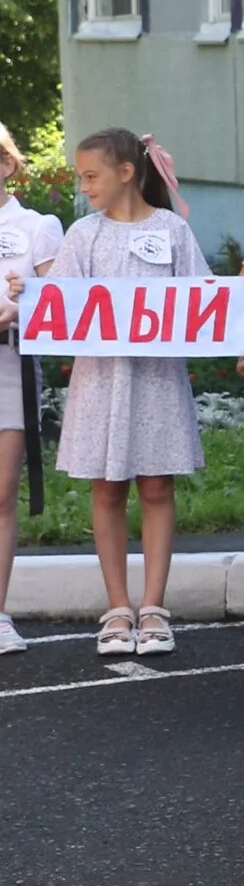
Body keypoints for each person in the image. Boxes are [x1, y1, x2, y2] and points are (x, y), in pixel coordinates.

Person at [57, 130, 206, 659]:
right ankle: (117, 607)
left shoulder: (172, 231)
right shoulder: (82, 235)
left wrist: (242, 308)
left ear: (126, 173)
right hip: (100, 383)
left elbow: (202, 298)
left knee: (158, 487)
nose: (83, 186)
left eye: (90, 175)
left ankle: (153, 607)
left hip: (157, 381)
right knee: (106, 489)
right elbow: (60, 303)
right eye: (79, 177)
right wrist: (29, 299)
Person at [0, 122, 68, 655]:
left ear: (6, 164)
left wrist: (20, 309)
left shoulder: (37, 226)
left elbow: (64, 304)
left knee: (1, 495)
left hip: (10, 363)